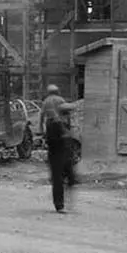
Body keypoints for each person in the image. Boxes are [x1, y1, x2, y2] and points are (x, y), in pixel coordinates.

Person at [39, 83, 79, 213]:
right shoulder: (60, 102)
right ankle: (61, 202)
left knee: (58, 175)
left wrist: (41, 131)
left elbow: (42, 118)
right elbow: (63, 113)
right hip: (61, 145)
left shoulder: (46, 102)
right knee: (64, 173)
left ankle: (60, 204)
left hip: (55, 145)